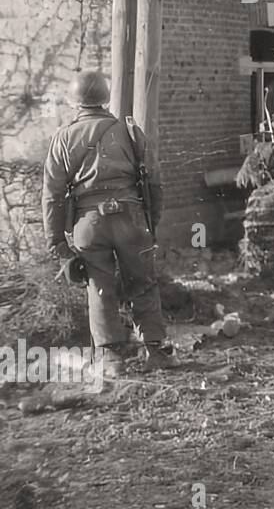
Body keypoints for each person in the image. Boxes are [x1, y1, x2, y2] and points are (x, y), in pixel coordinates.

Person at [41, 71, 174, 380]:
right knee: (143, 282)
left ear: (75, 102)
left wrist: (56, 244)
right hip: (131, 217)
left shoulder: (63, 137)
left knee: (99, 287)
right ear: (105, 97)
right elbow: (154, 181)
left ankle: (111, 358)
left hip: (88, 224)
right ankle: (155, 351)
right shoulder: (130, 131)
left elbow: (52, 195)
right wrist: (150, 224)